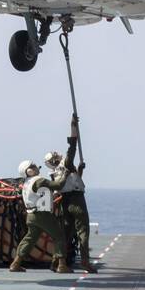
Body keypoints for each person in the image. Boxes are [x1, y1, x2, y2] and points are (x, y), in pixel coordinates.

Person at [45, 114, 95, 273]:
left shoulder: (52, 175)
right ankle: (85, 261)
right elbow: (72, 145)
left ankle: (57, 262)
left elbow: (66, 183)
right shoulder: (66, 163)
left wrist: (78, 171)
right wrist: (73, 125)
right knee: (83, 231)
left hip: (65, 203)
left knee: (65, 233)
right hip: (77, 200)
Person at [8, 159, 71, 273]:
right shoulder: (39, 181)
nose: (37, 167)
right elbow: (58, 185)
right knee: (59, 236)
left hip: (31, 215)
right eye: (34, 166)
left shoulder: (26, 183)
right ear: (29, 170)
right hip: (42, 214)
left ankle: (16, 263)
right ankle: (62, 265)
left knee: (30, 239)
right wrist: (65, 174)